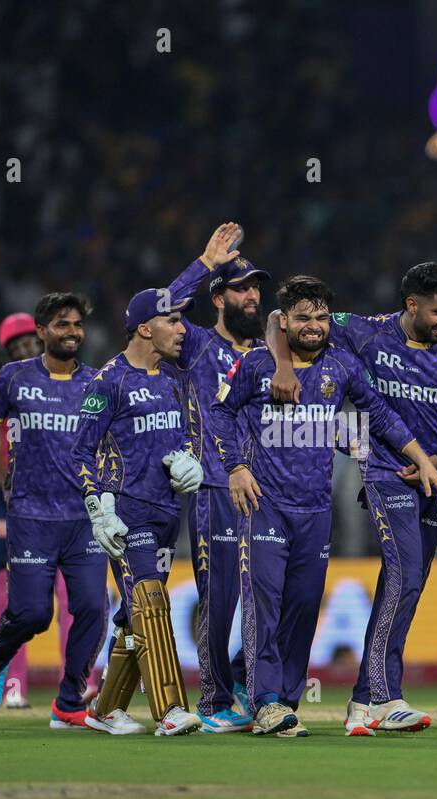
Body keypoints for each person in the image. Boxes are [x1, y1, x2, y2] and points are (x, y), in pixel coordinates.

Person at [212, 275, 437, 737]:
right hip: (265, 503)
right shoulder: (258, 365)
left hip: (315, 510)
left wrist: (424, 461)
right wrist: (236, 468)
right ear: (286, 321)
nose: (314, 325)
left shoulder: (341, 367)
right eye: (303, 317)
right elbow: (219, 412)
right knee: (265, 604)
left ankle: (286, 700)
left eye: (321, 317)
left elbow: (380, 415)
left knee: (302, 608)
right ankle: (267, 702)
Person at [267, 262, 437, 734]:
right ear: (411, 305)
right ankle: (386, 697)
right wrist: (284, 364)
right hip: (387, 471)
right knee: (405, 575)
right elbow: (277, 319)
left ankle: (363, 703)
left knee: (405, 585)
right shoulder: (364, 332)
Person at [76, 224, 242, 736]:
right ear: (145, 328)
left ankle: (103, 711)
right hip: (126, 512)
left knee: (133, 614)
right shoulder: (108, 381)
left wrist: (190, 457)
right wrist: (95, 506)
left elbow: (185, 433)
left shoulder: (178, 375)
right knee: (150, 598)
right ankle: (170, 709)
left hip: (170, 514)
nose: (181, 329)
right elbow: (78, 450)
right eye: (172, 321)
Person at [0, 293, 107, 731]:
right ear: (43, 331)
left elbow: (114, 446)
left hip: (84, 517)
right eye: (61, 324)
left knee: (91, 609)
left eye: (77, 324)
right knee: (32, 614)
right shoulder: (12, 379)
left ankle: (68, 702)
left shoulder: (98, 382)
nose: (72, 332)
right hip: (30, 516)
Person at [179, 235, 270, 732]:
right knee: (218, 599)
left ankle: (242, 679)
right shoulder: (196, 345)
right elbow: (160, 310)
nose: (252, 297)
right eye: (240, 289)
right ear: (218, 298)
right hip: (216, 488)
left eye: (256, 289)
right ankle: (212, 701)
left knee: (272, 595)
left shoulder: (267, 353)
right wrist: (204, 264)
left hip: (267, 492)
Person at [0, 313, 76, 709]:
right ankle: (12, 683)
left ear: (41, 338)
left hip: (66, 503)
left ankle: (77, 680)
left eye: (27, 343)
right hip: (16, 503)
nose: (23, 351)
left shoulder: (75, 382)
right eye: (13, 348)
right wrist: (3, 489)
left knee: (75, 598)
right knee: (12, 594)